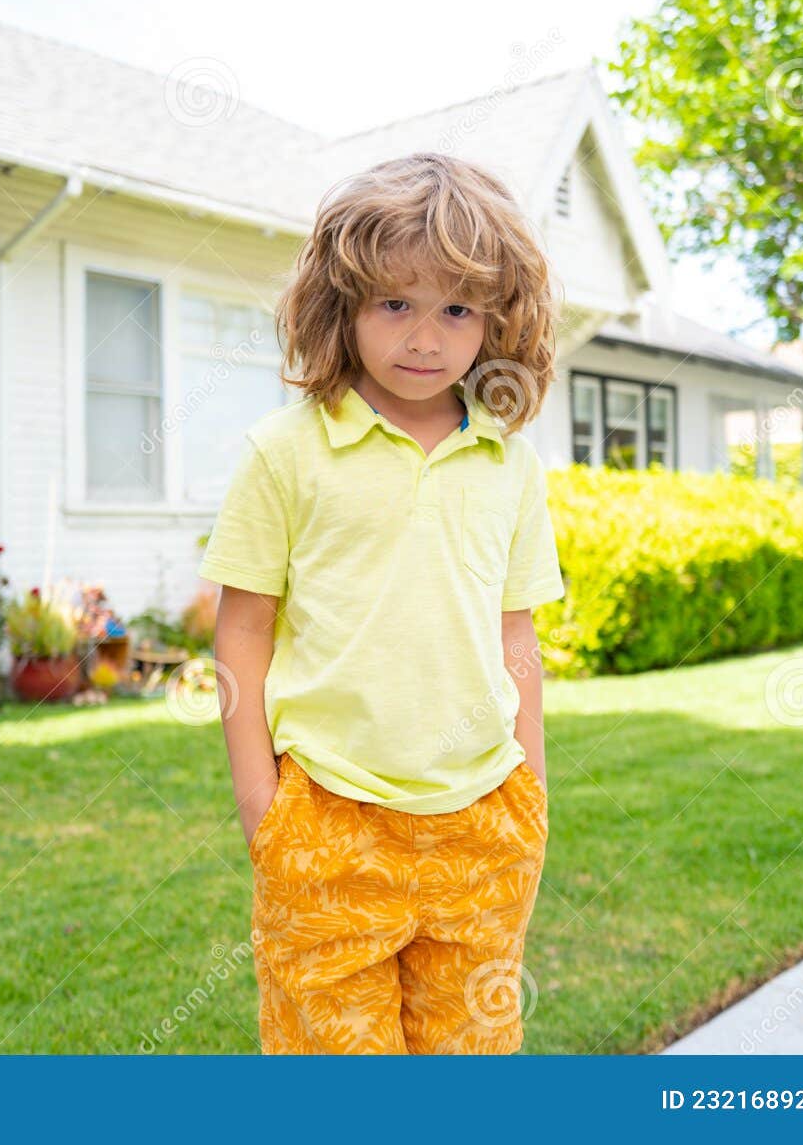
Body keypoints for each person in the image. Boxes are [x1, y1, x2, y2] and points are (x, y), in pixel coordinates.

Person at [197, 151, 566, 1054]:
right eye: (394, 303)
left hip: (484, 819)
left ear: (496, 320)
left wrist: (533, 795)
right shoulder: (285, 453)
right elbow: (241, 634)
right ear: (343, 304)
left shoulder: (510, 466)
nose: (424, 338)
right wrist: (263, 807)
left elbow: (518, 639)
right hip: (327, 818)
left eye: (456, 309)